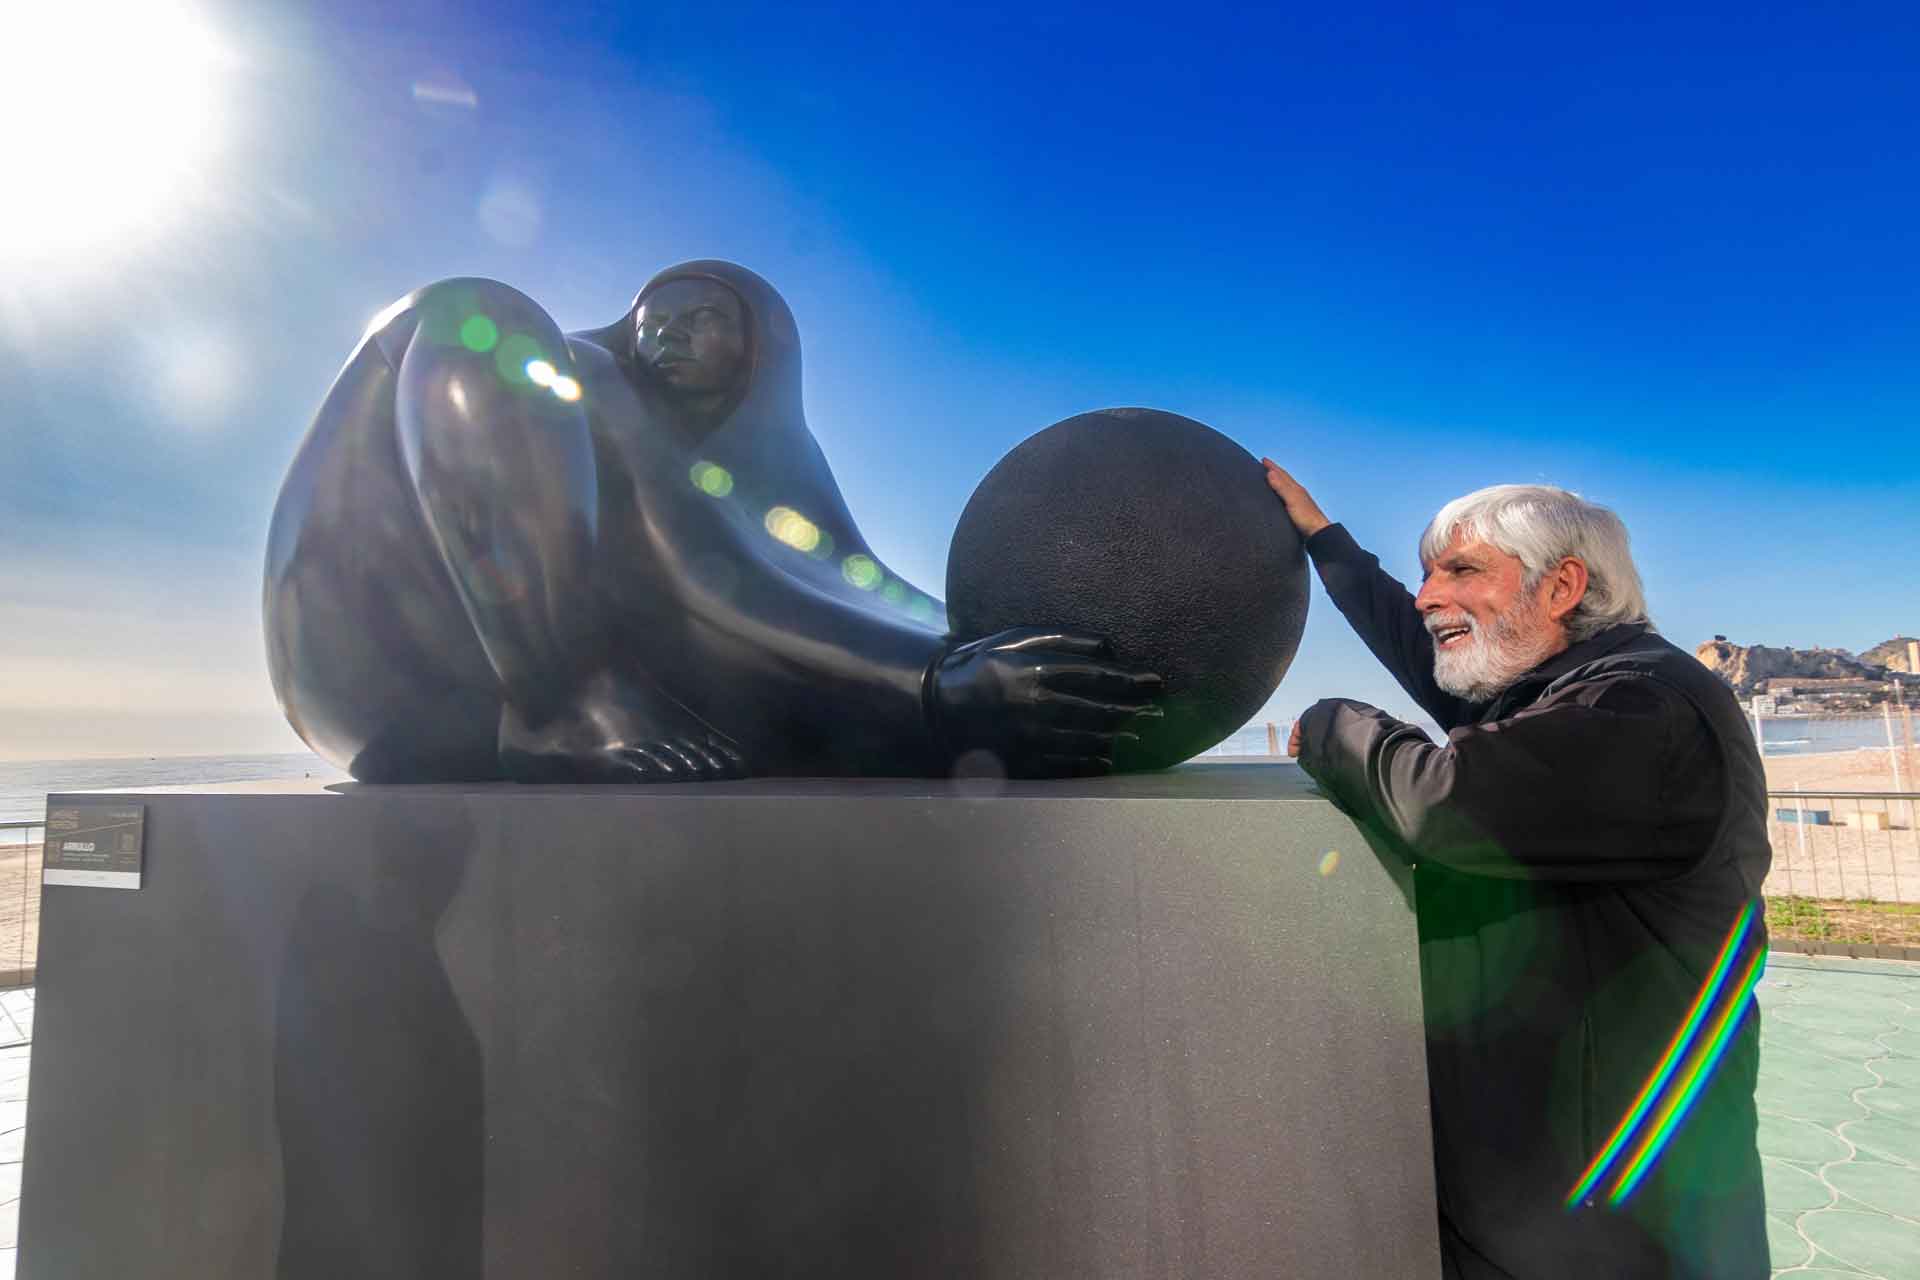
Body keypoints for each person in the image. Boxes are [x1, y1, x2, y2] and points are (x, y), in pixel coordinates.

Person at [264, 261, 1159, 781]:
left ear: (760, 349)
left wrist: (1000, 647)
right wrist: (932, 691)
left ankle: (582, 701)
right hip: (387, 672)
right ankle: (563, 710)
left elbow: (852, 583)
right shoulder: (581, 375)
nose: (669, 335)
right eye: (655, 319)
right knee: (477, 312)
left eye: (702, 320)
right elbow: (689, 579)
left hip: (548, 700)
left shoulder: (778, 465)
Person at [1262, 462, 1770, 1278]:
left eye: (1461, 571)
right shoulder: (1554, 692)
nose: (1430, 597)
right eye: (1429, 574)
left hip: (1616, 1221)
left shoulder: (1639, 708)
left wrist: (1332, 724)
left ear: (1563, 584)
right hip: (1537, 1185)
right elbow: (1416, 642)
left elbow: (1443, 801)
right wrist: (1326, 543)